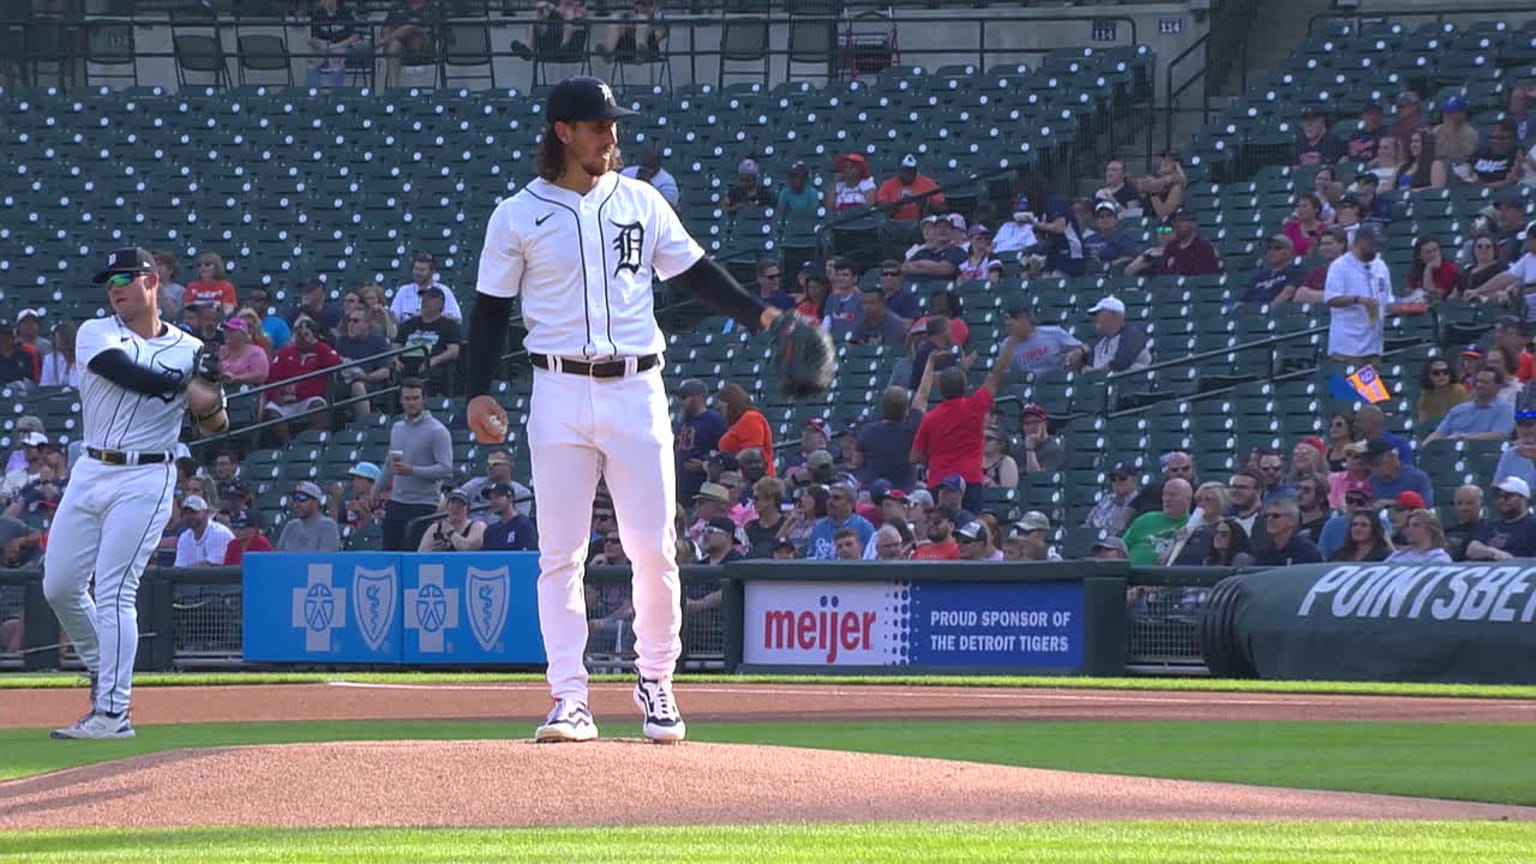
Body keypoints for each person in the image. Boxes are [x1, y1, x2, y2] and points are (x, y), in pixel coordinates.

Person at [464, 77, 812, 745]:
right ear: (564, 131)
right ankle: (569, 697)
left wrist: (763, 315)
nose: (611, 135)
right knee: (560, 555)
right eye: (598, 125)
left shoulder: (642, 201)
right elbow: (488, 311)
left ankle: (657, 682)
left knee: (653, 549)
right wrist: (477, 389)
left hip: (636, 389)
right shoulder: (517, 213)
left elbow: (698, 273)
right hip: (557, 390)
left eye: (613, 124)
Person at [44, 248, 224, 740]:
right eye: (109, 281)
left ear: (153, 282)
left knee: (116, 589)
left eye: (125, 277)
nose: (115, 287)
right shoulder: (96, 333)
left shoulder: (189, 347)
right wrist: (189, 381)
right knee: (58, 585)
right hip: (90, 469)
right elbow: (127, 374)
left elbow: (215, 421)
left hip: (146, 476)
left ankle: (112, 712)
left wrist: (214, 385)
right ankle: (105, 673)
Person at [911, 333, 1015, 513]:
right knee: (969, 532)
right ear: (965, 387)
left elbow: (914, 457)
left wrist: (935, 450)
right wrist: (1013, 341)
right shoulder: (974, 408)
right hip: (971, 481)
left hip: (938, 482)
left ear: (941, 390)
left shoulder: (930, 418)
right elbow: (995, 377)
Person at [374, 379, 454, 551]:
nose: (411, 403)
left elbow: (446, 469)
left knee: (415, 554)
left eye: (415, 398)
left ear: (424, 399)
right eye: (407, 398)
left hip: (423, 504)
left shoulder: (437, 431)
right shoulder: (397, 428)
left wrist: (413, 471)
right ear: (401, 400)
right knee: (390, 554)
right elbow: (390, 463)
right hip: (397, 501)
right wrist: (376, 488)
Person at [1325, 223, 1394, 364]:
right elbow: (1331, 299)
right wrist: (1359, 300)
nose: (1375, 248)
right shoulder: (1339, 266)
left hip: (1373, 347)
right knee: (1343, 387)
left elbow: (1388, 301)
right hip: (1346, 348)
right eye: (1372, 244)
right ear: (1359, 241)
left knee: (1374, 387)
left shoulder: (1381, 266)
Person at [1422, 368, 1514, 445]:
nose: (1479, 385)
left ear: (1498, 387)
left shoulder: (1505, 409)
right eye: (1477, 381)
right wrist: (1424, 446)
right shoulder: (1459, 409)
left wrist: (1462, 437)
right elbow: (1439, 433)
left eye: (1485, 382)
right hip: (1451, 454)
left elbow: (1498, 436)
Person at [1466, 476, 1536, 560]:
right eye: (1499, 496)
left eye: (1508, 496)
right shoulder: (1490, 525)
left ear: (1524, 498)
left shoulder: (1532, 526)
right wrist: (1494, 553)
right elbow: (1472, 549)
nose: (1502, 500)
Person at [1251, 498, 1323, 566]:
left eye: (1276, 516)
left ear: (1291, 521)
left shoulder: (1306, 551)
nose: (1269, 519)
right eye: (1266, 516)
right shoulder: (1263, 551)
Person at [275, 481, 342, 552]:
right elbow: (278, 556)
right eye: (295, 499)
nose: (297, 504)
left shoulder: (328, 525)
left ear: (316, 503)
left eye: (302, 498)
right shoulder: (291, 526)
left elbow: (325, 559)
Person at [417, 488, 486, 552]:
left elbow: (469, 548)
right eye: (453, 503)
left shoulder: (478, 526)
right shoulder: (435, 528)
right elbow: (420, 554)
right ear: (447, 506)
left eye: (461, 504)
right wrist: (433, 550)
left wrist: (450, 533)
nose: (456, 508)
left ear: (467, 508)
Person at [1385, 509, 1452, 563]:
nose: (1409, 529)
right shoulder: (1398, 555)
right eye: (1408, 525)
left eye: (1416, 525)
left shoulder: (1439, 558)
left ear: (1431, 530)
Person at [1417, 357, 1468, 428]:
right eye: (1436, 373)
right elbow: (1423, 424)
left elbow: (1465, 418)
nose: (1441, 375)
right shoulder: (1426, 395)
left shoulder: (1458, 390)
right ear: (1429, 376)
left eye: (1445, 372)